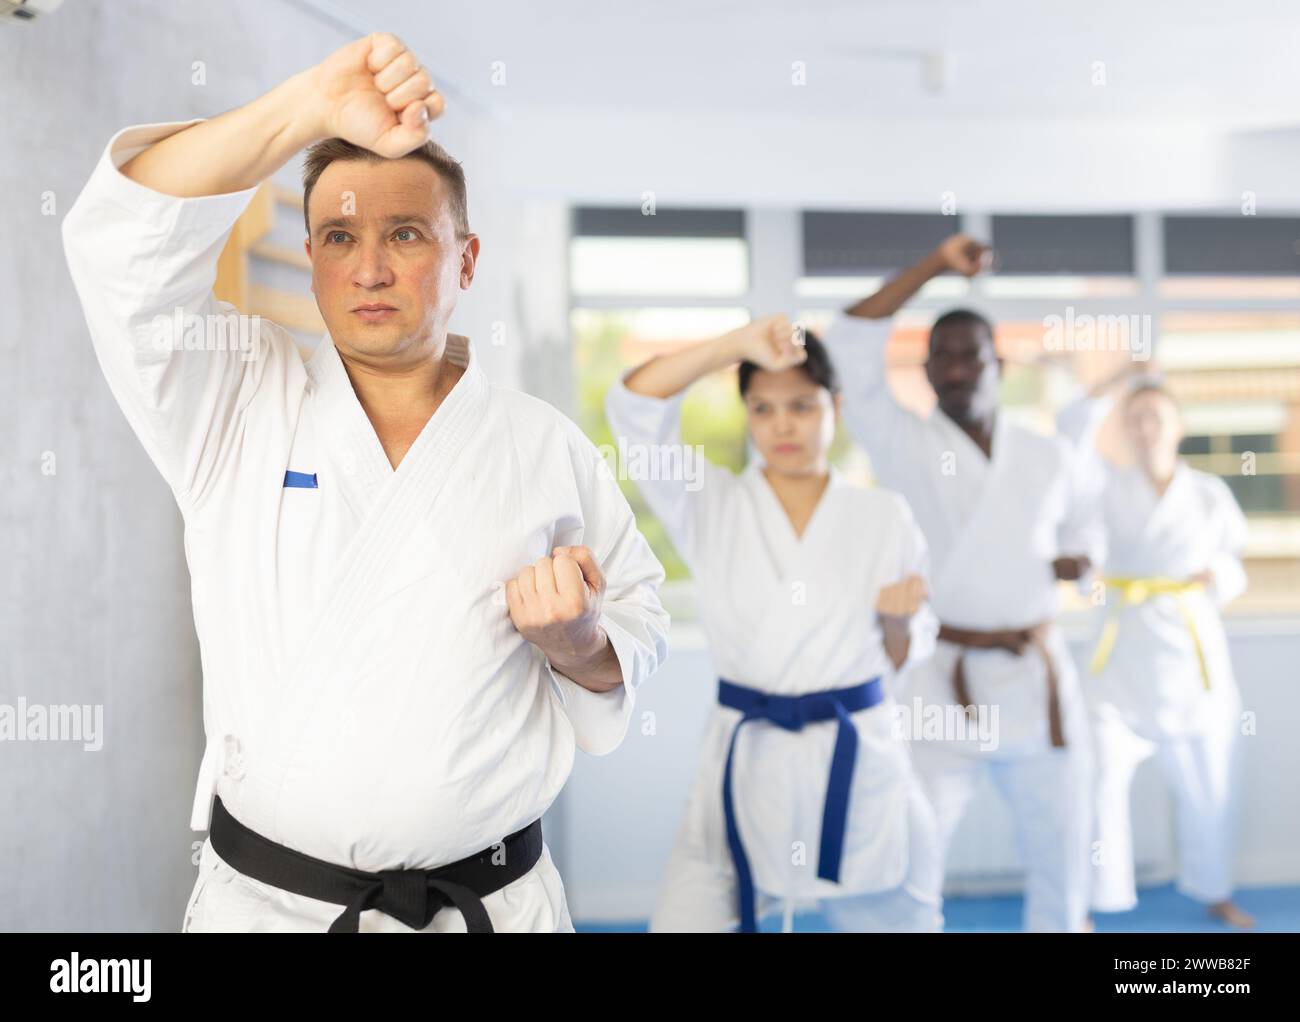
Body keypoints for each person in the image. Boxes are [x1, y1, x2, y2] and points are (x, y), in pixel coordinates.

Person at [61, 33, 669, 933]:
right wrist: (307, 105)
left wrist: (580, 643)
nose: (371, 267)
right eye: (340, 235)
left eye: (406, 234)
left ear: (464, 261)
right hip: (271, 910)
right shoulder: (232, 397)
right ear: (310, 256)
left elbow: (640, 621)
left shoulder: (546, 447)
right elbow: (119, 250)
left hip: (490, 907)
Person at [605, 315, 944, 932]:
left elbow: (903, 653)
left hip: (856, 753)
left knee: (904, 914)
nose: (782, 425)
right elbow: (632, 406)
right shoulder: (708, 502)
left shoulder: (883, 514)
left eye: (802, 406)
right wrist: (734, 345)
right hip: (744, 754)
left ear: (835, 407)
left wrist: (898, 624)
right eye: (762, 409)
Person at [820, 234, 1102, 932]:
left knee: (1063, 853)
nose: (953, 368)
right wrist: (933, 266)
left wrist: (1080, 564)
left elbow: (1083, 533)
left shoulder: (1047, 453)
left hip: (1035, 679)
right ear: (923, 369)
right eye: (939, 356)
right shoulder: (901, 441)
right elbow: (850, 336)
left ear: (996, 362)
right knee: (914, 852)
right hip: (938, 680)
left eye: (967, 353)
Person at [1057, 367, 1254, 927]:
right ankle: (1096, 901)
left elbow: (1234, 560)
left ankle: (1215, 891)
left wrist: (1216, 575)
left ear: (1178, 425)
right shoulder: (1103, 487)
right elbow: (1071, 429)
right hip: (1118, 665)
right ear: (1123, 426)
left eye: (1156, 416)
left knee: (1212, 786)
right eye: (1134, 417)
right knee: (1097, 787)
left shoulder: (1209, 494)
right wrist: (1120, 377)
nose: (1145, 427)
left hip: (1192, 664)